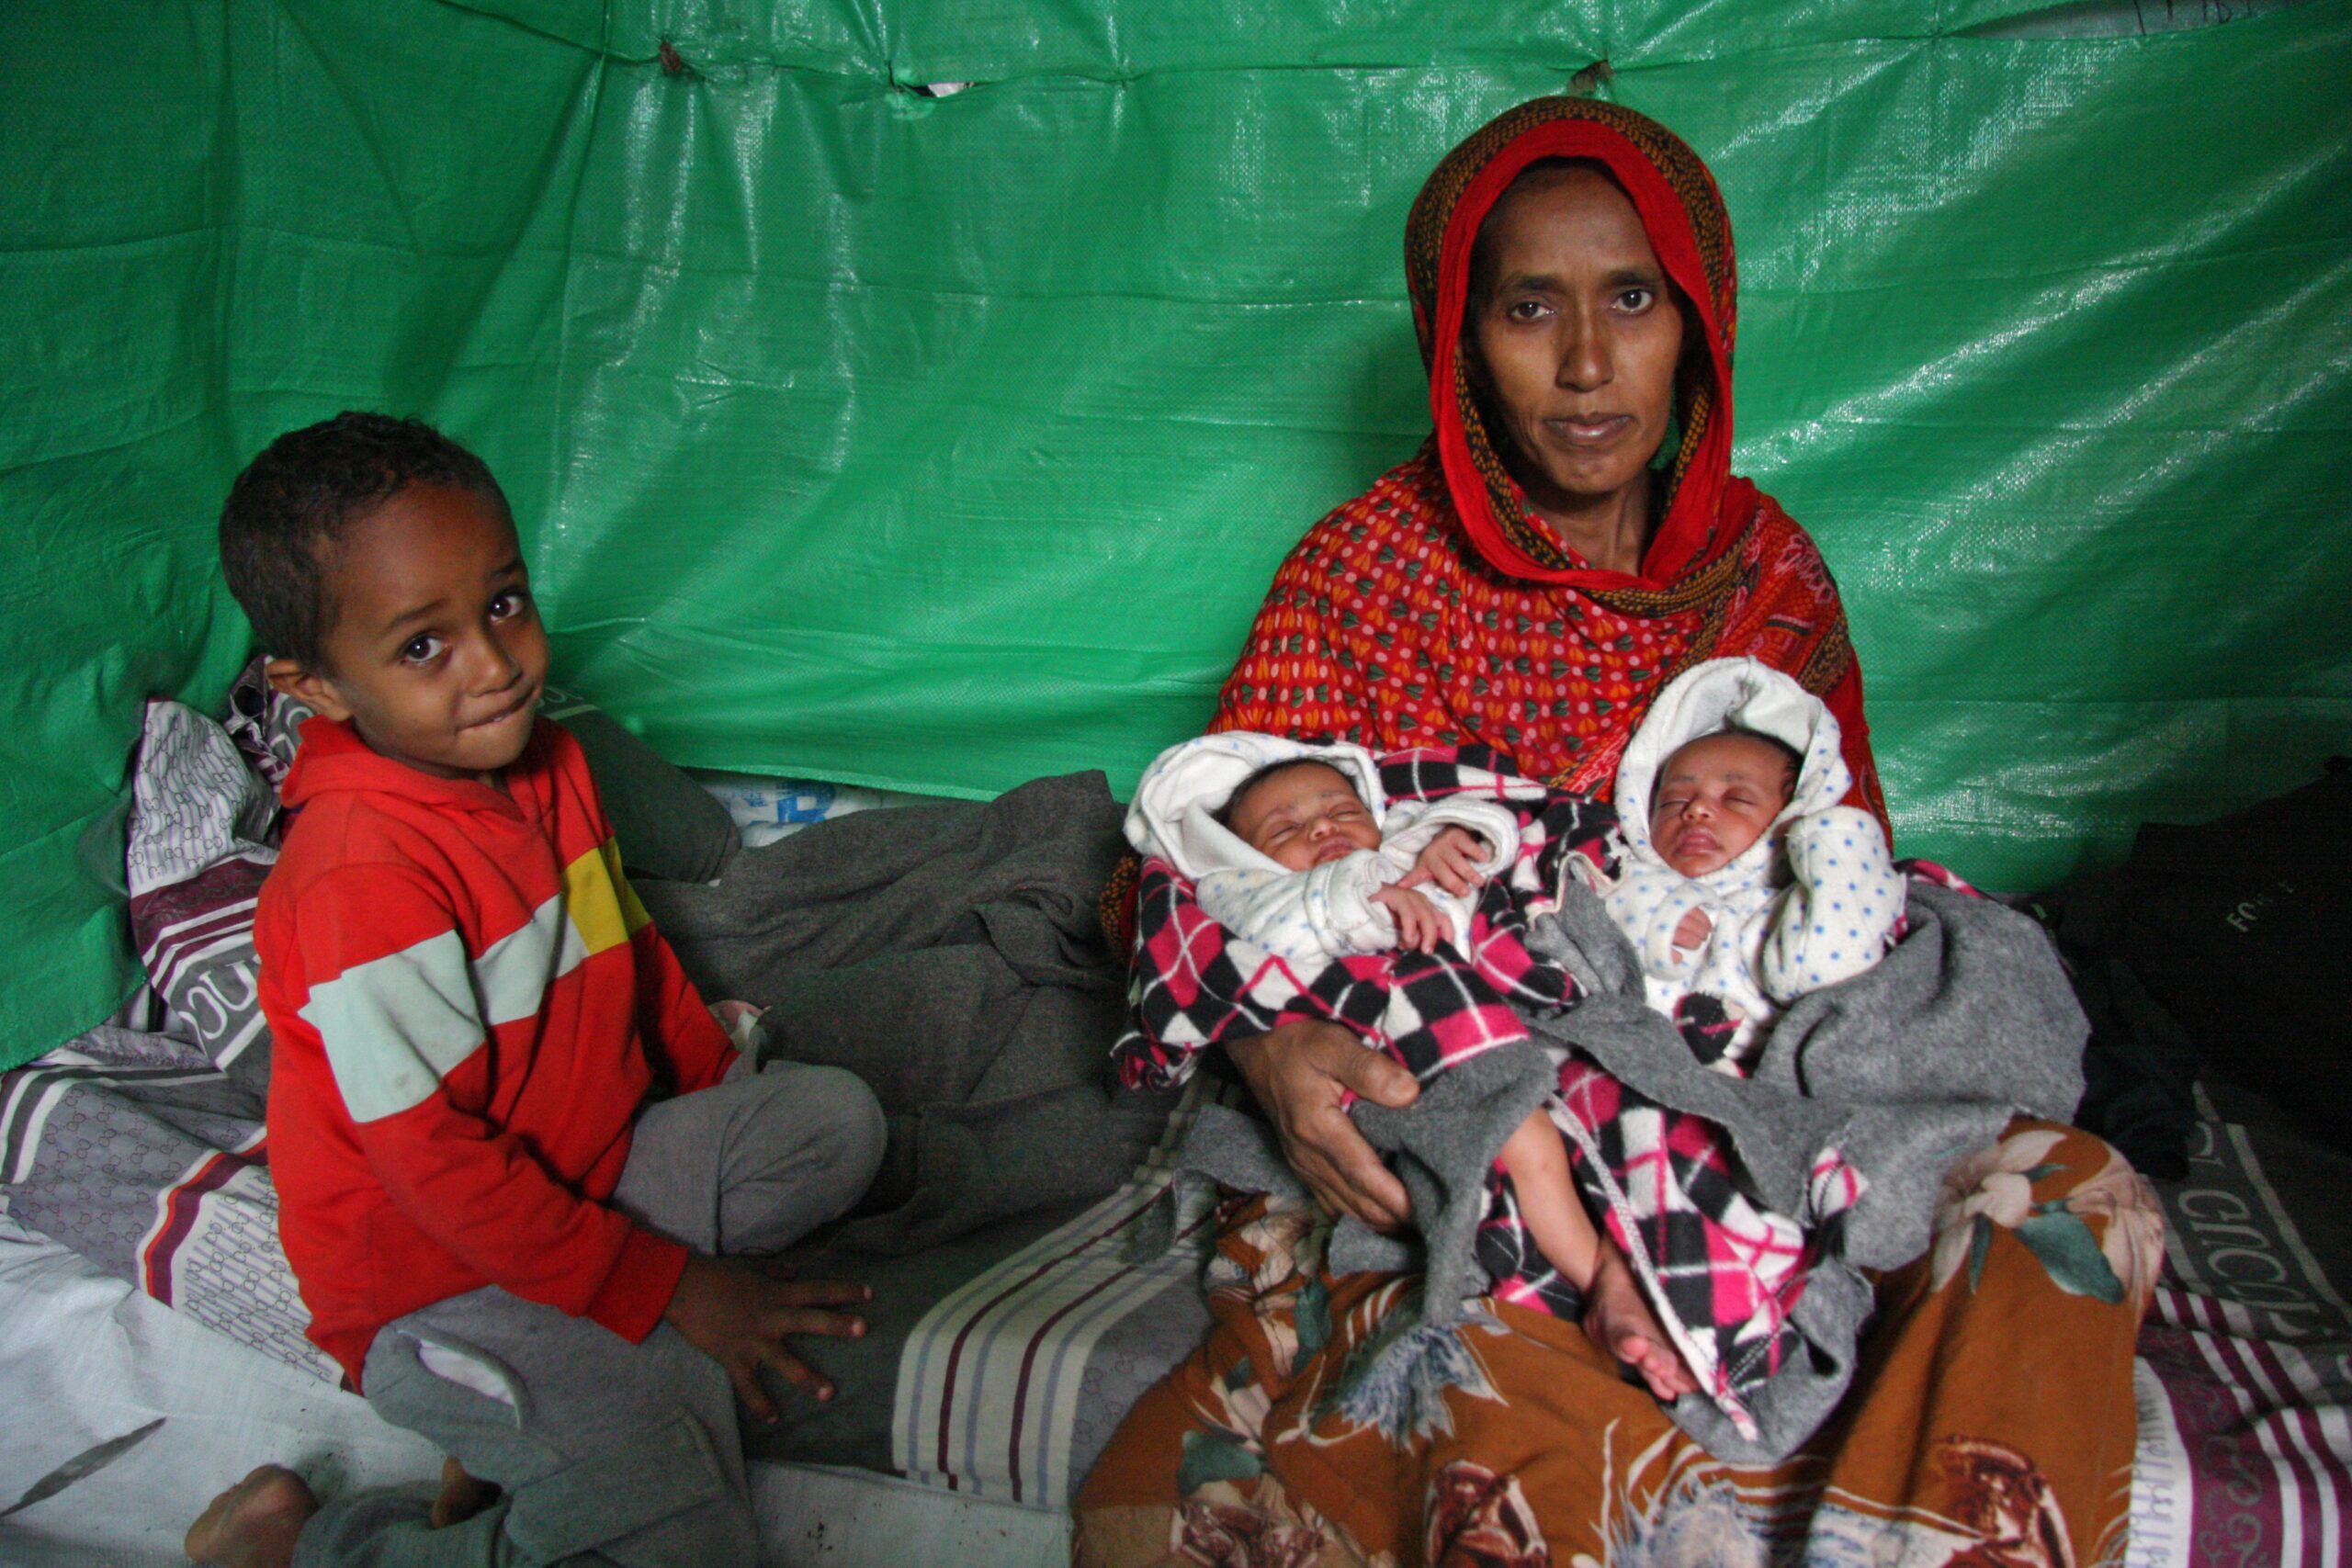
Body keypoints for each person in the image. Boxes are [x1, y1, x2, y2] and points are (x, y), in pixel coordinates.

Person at [1077, 98, 2149, 1567]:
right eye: (1530, 307)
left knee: (2071, 1200)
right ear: (1461, 341)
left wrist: (1792, 1078)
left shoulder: (1766, 577)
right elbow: (1195, 870)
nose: (1587, 364)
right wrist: (1270, 1052)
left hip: (1757, 1080)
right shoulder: (1365, 574)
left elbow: (1848, 885)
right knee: (1504, 1375)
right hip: (1491, 1101)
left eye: (1633, 299)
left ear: (1699, 326)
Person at [187, 413, 887, 1568]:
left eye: (503, 603)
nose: (494, 663)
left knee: (832, 1124)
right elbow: (435, 1169)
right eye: (423, 645)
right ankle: (312, 1546)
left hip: (590, 1167)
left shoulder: (551, 760)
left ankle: (528, 1423)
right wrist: (668, 1287)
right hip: (442, 1271)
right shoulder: (362, 876)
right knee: (681, 1535)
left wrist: (720, 1096)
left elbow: (630, 955)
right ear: (317, 687)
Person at [1128, 731, 1696, 1398]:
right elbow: (1260, 924)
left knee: (1627, 1112)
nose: (1322, 828)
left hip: (1519, 1024)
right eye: (1285, 828)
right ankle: (1601, 1279)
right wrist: (1358, 896)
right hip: (1419, 1051)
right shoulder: (1249, 887)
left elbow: (1491, 823)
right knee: (1522, 1137)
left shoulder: (1401, 840)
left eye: (1342, 811)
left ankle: (1650, 1253)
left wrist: (1454, 837)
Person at [1580, 656, 1905, 1070]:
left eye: (1736, 799)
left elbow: (1831, 974)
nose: (1696, 809)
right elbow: (1569, 926)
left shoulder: (1787, 907)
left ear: (1793, 815)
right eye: (1674, 801)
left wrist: (1843, 846)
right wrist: (1643, 912)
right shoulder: (1616, 874)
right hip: (1619, 1057)